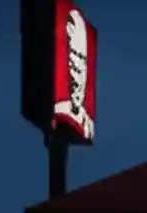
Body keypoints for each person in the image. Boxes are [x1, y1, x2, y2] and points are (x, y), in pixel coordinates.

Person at [53, 9, 94, 140]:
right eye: (72, 58)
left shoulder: (88, 125)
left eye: (80, 57)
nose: (75, 70)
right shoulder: (58, 110)